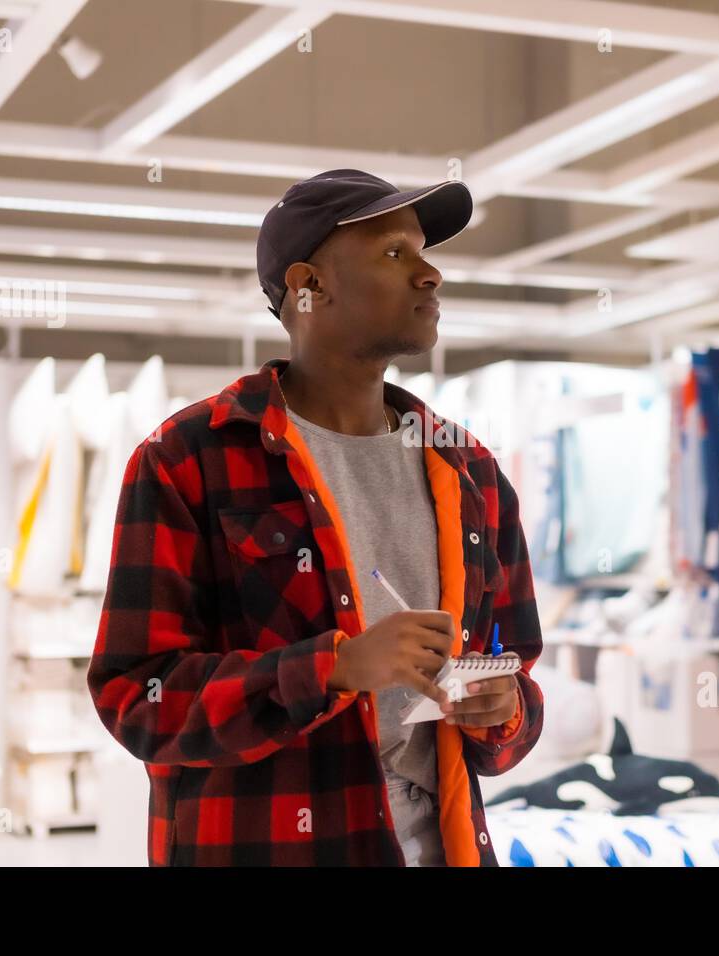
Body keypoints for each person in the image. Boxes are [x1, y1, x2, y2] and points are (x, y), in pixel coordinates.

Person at [87, 169, 545, 866]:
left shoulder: (470, 470)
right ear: (309, 286)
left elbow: (520, 683)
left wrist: (503, 708)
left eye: (424, 252)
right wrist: (331, 669)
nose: (430, 274)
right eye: (395, 254)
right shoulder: (188, 460)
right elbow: (136, 697)